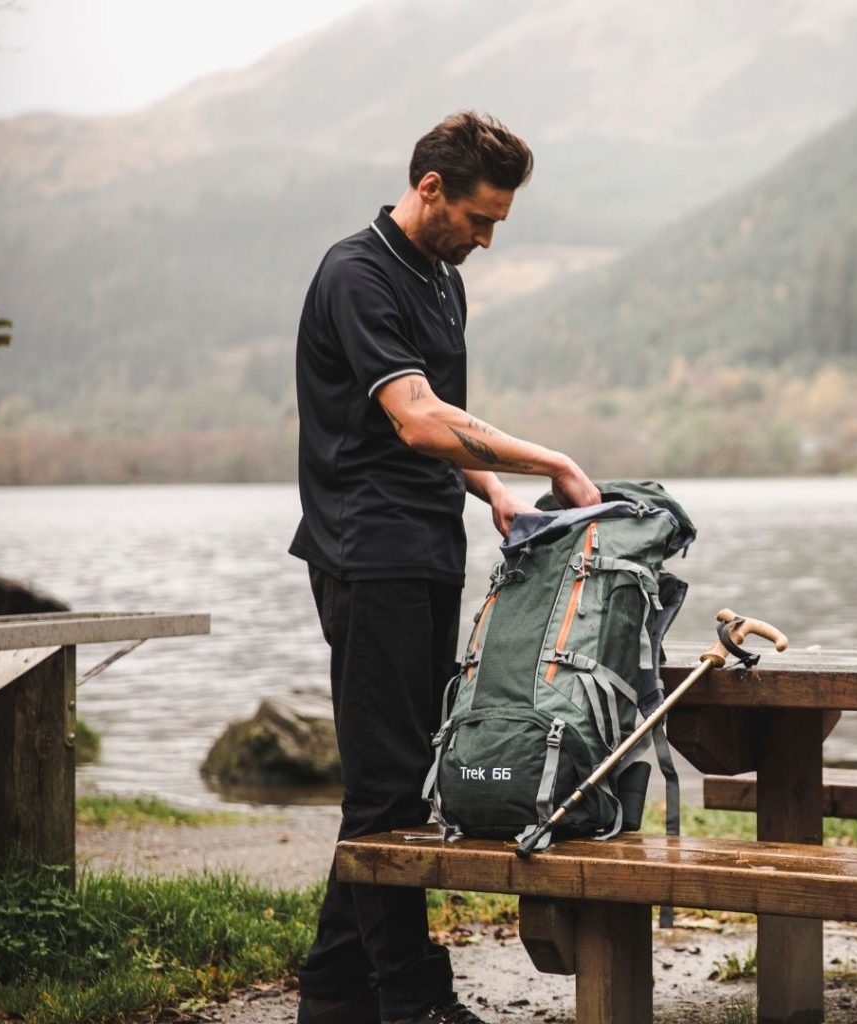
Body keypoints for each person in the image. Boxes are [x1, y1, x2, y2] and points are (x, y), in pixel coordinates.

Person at [290, 111, 600, 1024]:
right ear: (430, 189)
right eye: (480, 218)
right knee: (385, 791)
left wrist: (491, 491)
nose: (489, 238)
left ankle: (334, 991)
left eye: (499, 221)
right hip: (365, 551)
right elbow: (417, 416)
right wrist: (547, 462)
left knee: (407, 779)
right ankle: (413, 1000)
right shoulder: (358, 272)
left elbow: (441, 422)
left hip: (426, 547)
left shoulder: (440, 277)